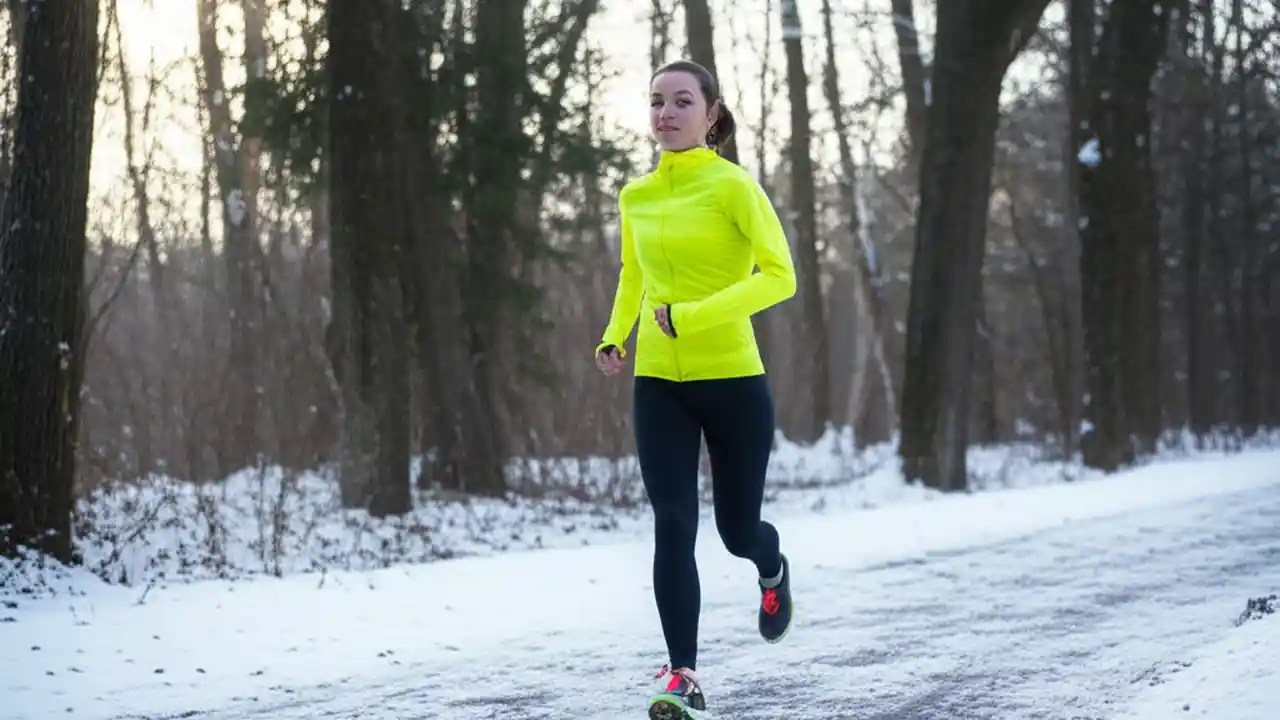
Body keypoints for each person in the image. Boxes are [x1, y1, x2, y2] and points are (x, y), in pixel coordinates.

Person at [594, 58, 797, 720]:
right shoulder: (636, 196)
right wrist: (616, 334)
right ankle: (683, 674)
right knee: (673, 523)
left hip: (734, 380)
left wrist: (693, 316)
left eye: (682, 101)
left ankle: (771, 568)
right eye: (656, 101)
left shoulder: (734, 187)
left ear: (711, 114)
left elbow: (779, 276)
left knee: (737, 531)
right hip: (659, 384)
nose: (666, 113)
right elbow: (633, 274)